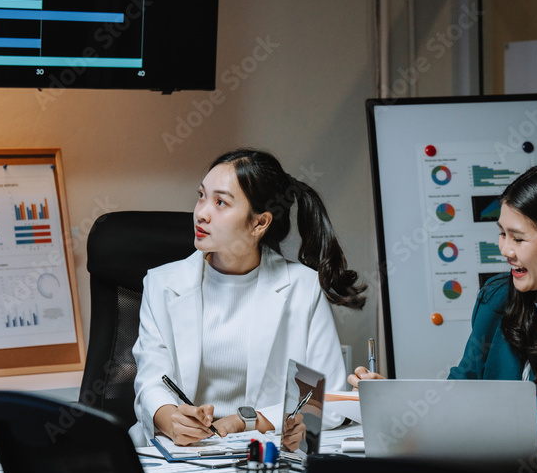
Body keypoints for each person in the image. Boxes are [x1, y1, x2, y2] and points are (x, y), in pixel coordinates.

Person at [349, 161, 537, 450]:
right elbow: (463, 388)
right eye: (502, 233)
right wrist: (394, 401)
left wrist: (448, 417)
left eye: (518, 239)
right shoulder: (496, 299)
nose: (505, 250)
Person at [131, 148, 366, 450]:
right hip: (179, 455)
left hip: (262, 455)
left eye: (220, 202)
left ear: (259, 223)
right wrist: (171, 420)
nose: (201, 212)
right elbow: (151, 381)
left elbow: (320, 400)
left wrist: (247, 420)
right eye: (201, 196)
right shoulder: (162, 284)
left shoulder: (302, 288)